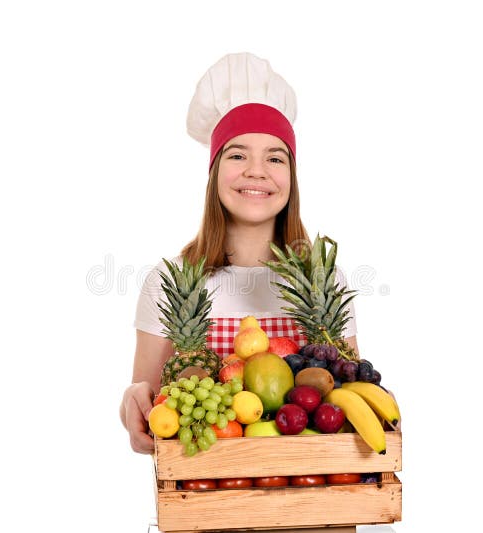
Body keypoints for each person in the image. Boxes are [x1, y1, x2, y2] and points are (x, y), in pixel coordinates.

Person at [119, 53, 360, 454]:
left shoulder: (323, 281)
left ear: (291, 178)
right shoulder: (170, 281)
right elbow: (145, 397)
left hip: (313, 493)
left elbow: (351, 389)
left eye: (275, 158)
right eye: (237, 155)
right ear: (214, 173)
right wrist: (131, 400)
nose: (256, 171)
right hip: (208, 495)